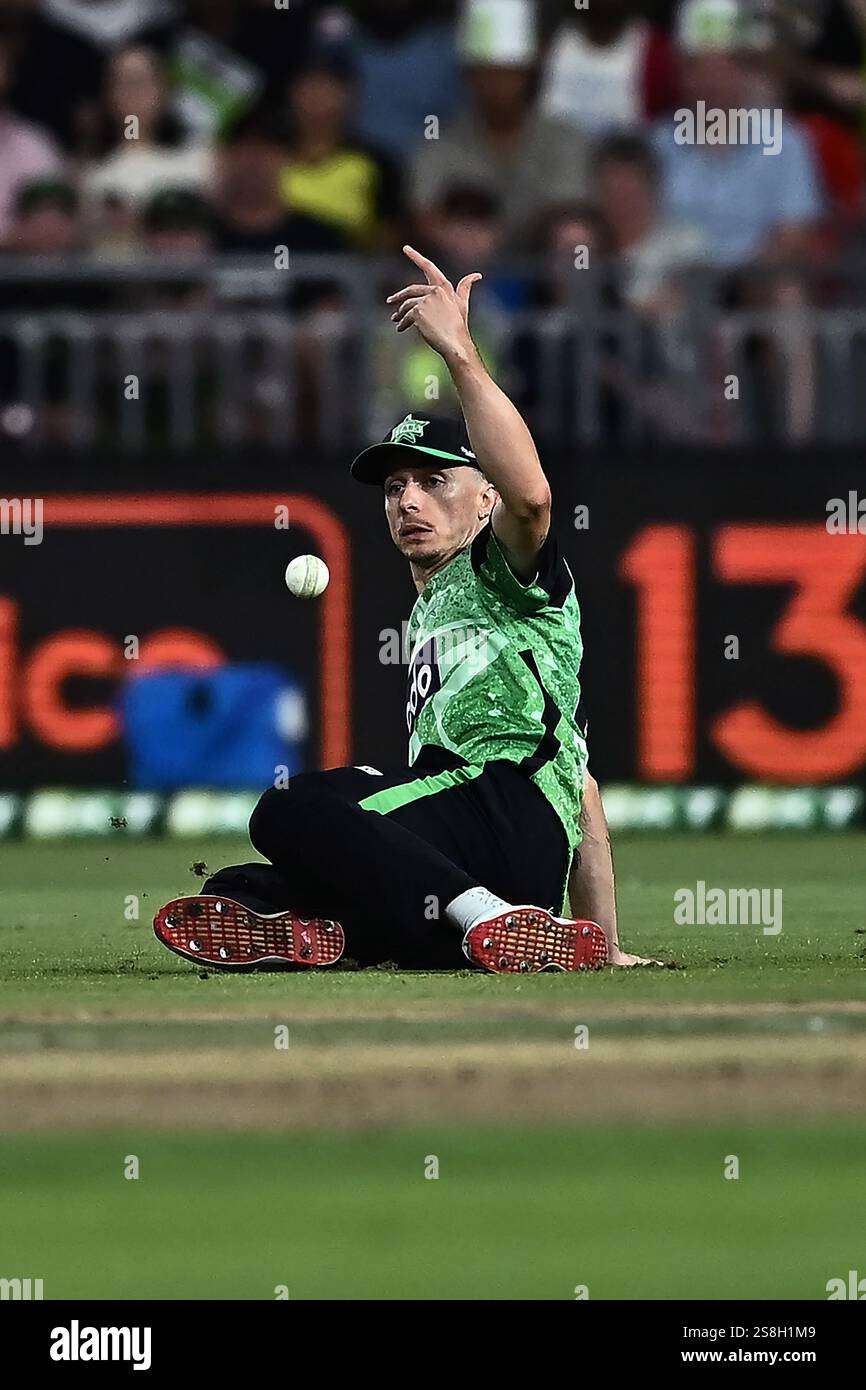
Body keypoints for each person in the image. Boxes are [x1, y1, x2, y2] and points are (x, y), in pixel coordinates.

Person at [153, 244, 658, 975]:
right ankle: (447, 930)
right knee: (249, 887)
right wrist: (602, 944)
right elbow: (581, 787)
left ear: (483, 497)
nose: (408, 500)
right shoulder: (435, 603)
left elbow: (534, 498)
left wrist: (460, 355)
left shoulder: (500, 569)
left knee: (291, 809)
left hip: (498, 805)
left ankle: (476, 916)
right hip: (494, 855)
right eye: (394, 488)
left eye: (432, 481)